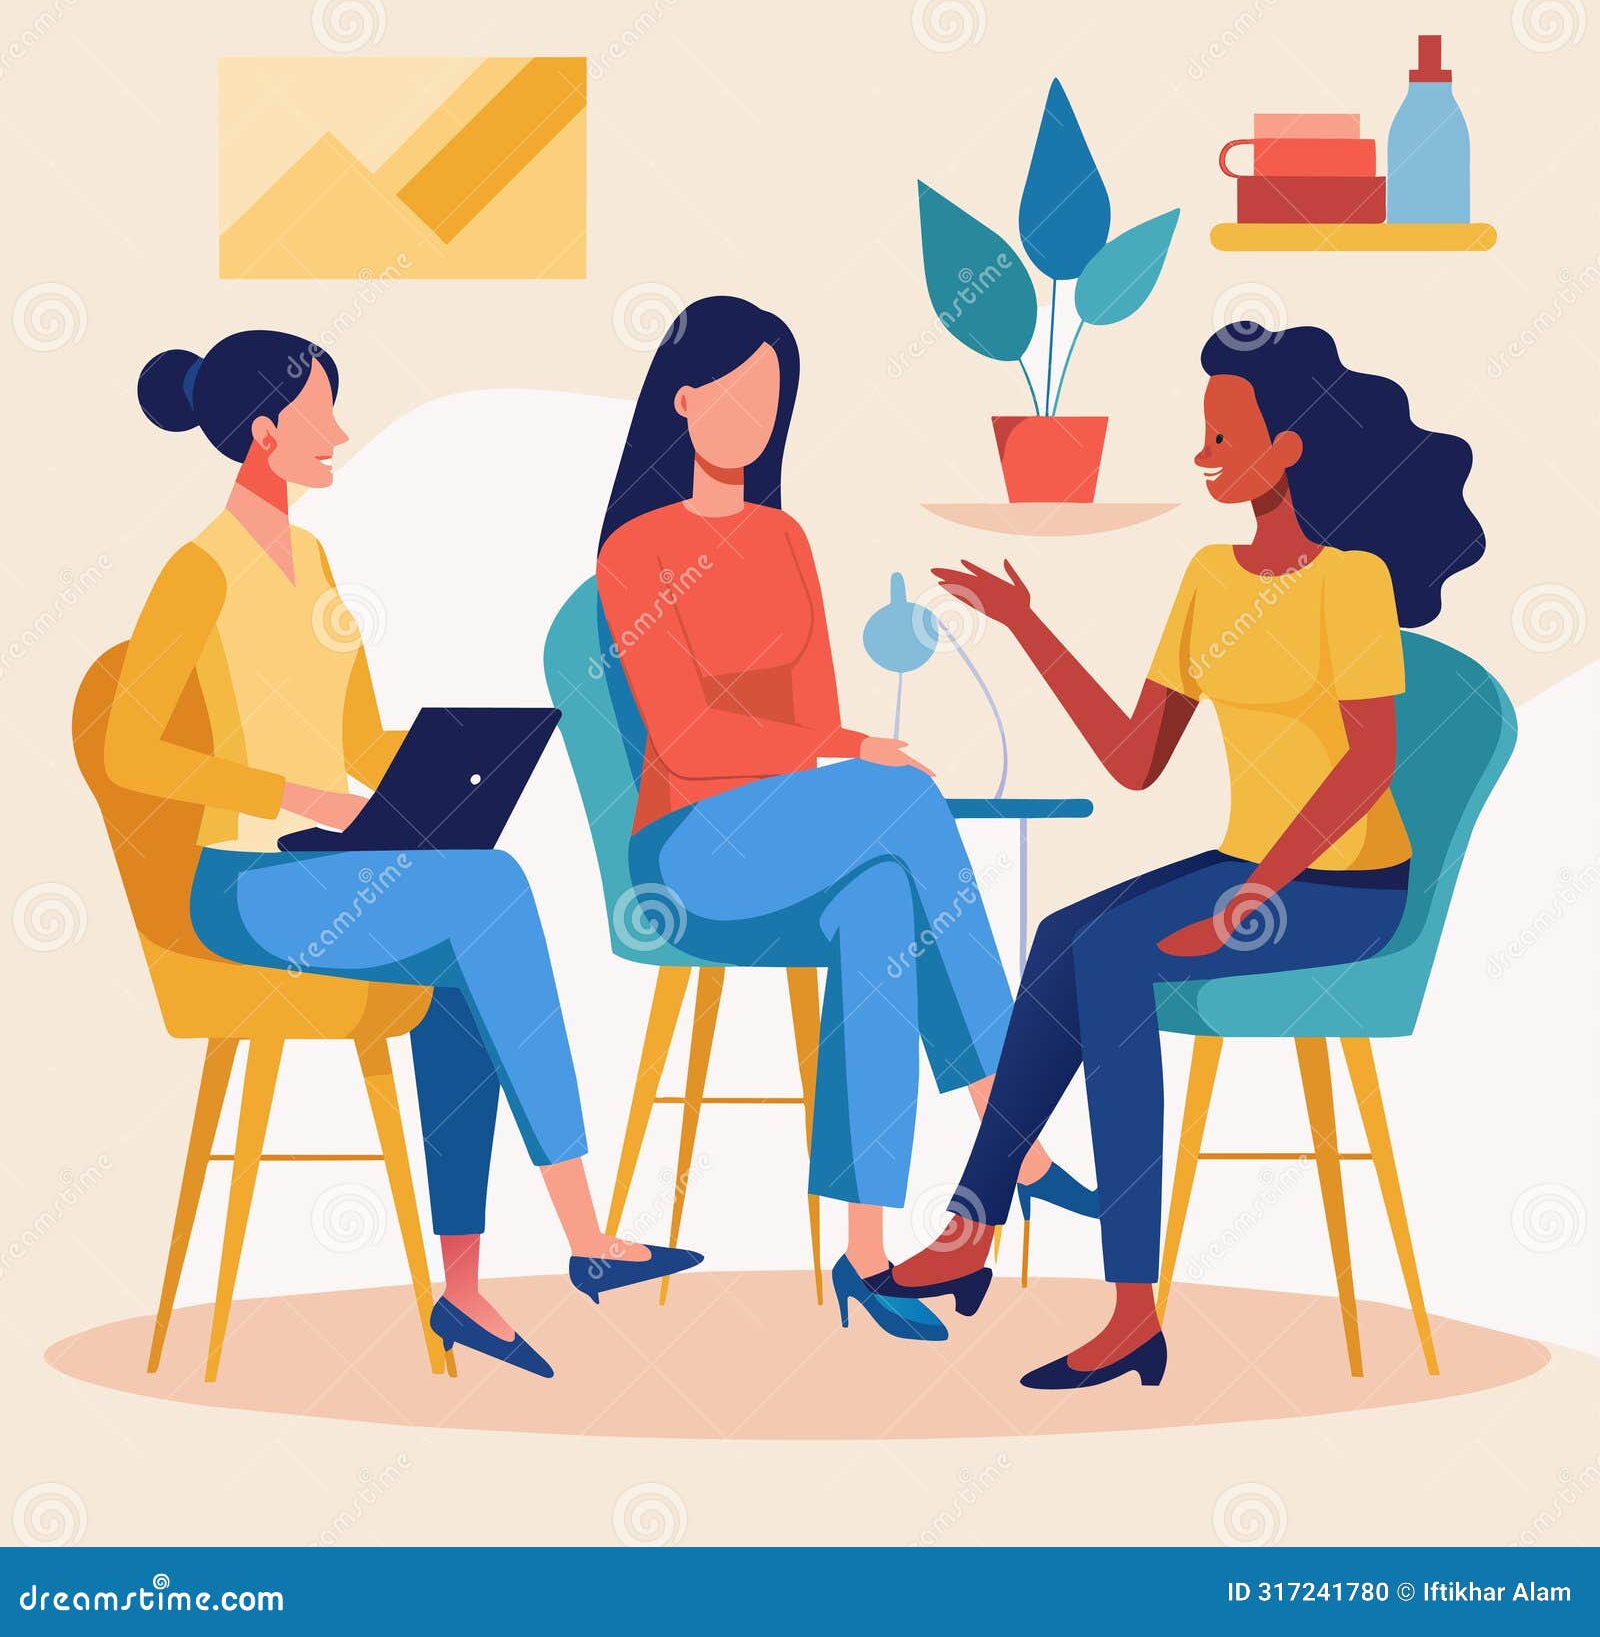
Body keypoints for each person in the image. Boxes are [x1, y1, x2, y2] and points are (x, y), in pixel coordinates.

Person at [894, 321, 1485, 1388]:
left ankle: (1130, 1309)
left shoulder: (1346, 583)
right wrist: (1027, 625)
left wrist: (1258, 890)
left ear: (1288, 448)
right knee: (1064, 933)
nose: (1202, 452)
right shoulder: (1210, 577)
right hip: (1249, 864)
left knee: (1115, 958)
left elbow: (1365, 765)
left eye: (1223, 432)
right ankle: (973, 1223)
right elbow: (1133, 758)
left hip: (1349, 888)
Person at [107, 330, 700, 1379]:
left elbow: (355, 743)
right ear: (261, 432)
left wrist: (450, 765)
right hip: (239, 886)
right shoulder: (197, 573)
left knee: (466, 963)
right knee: (490, 894)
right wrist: (295, 797)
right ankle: (585, 1231)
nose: (338, 431)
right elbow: (130, 747)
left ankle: (464, 1289)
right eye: (319, 413)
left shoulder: (317, 562)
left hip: (321, 870)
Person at [596, 296, 1096, 1342]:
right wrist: (847, 753)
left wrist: (836, 747)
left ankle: (866, 1253)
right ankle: (1009, 1132)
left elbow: (813, 717)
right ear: (681, 400)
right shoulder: (636, 553)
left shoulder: (784, 538)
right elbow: (685, 740)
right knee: (905, 795)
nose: (757, 416)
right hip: (689, 853)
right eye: (735, 394)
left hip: (798, 837)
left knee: (879, 907)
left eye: (773, 397)